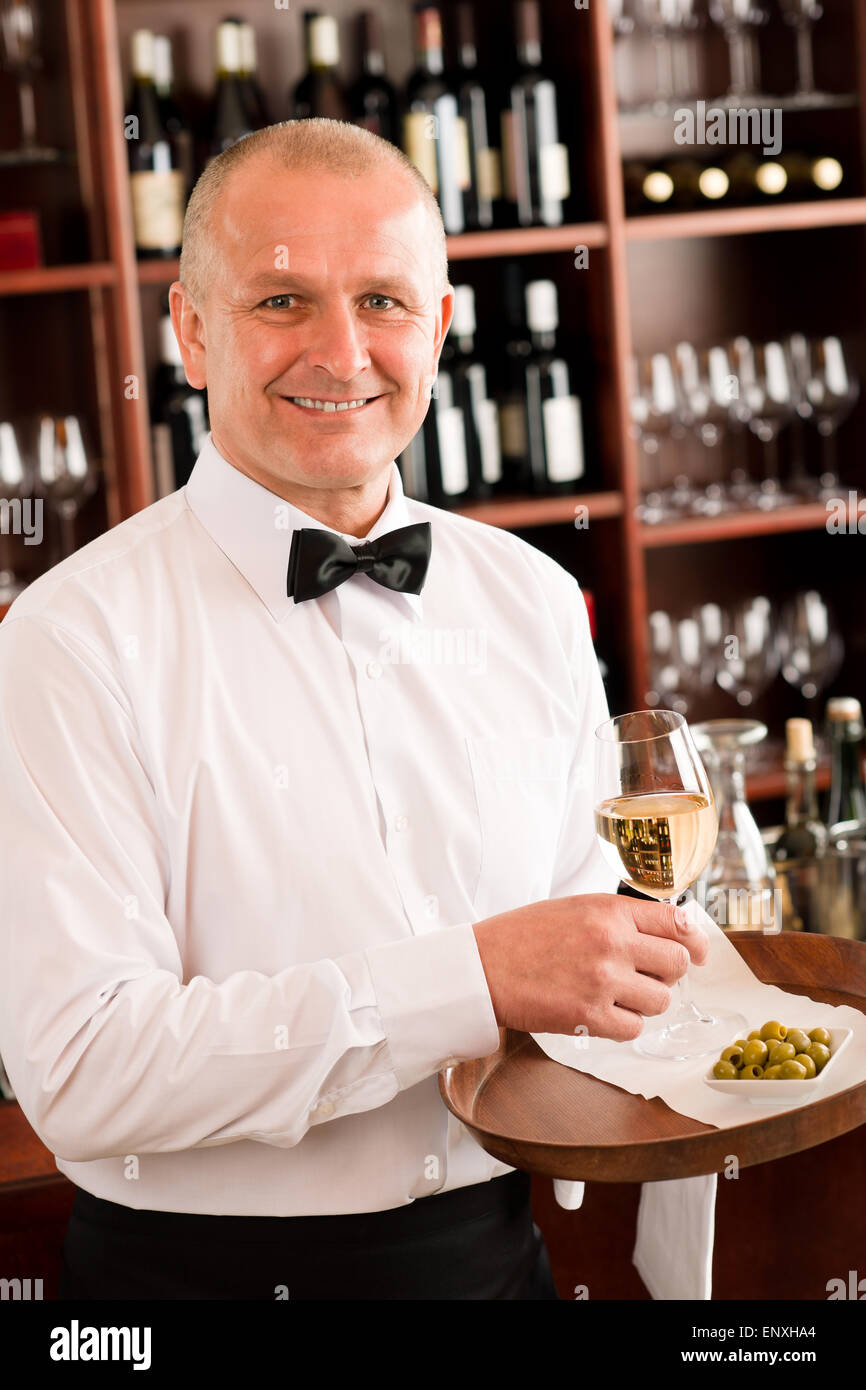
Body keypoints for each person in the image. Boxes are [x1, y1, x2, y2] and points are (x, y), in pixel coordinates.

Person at [0, 120, 707, 1301]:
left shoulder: (532, 599)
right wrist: (467, 979)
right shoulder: (70, 640)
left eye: (381, 299)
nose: (340, 352)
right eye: (281, 300)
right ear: (188, 331)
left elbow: (577, 970)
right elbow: (78, 1068)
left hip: (500, 1264)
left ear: (437, 328)